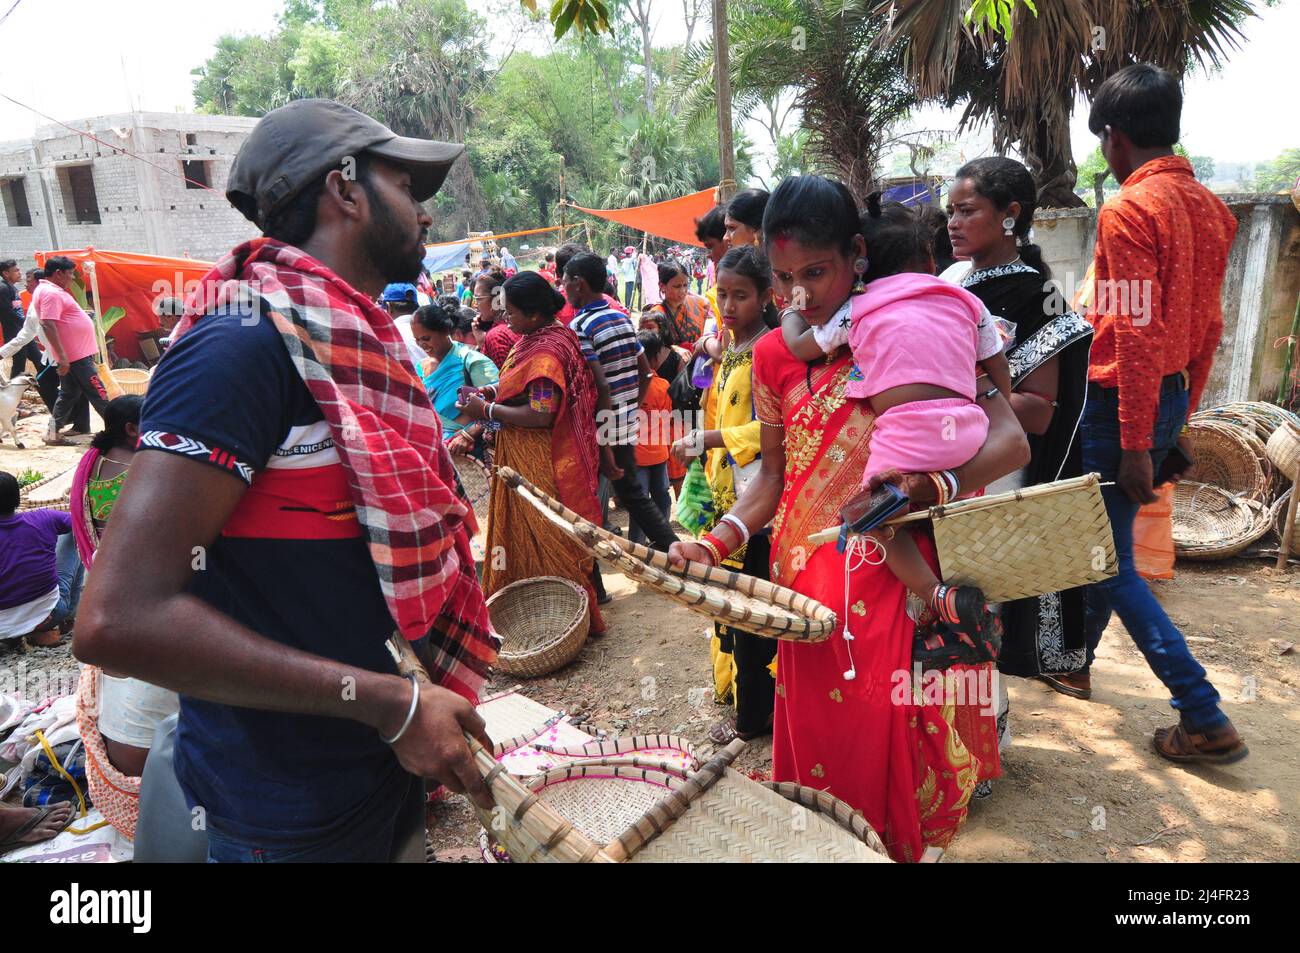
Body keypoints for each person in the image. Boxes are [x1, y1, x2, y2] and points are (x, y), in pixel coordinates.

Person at [74, 99, 496, 863]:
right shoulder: (239, 349)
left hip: (380, 766)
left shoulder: (352, 343)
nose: (425, 213)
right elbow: (118, 618)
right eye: (407, 184)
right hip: (286, 812)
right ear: (346, 191)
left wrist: (400, 716)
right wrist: (392, 706)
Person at [670, 175, 1029, 861]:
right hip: (804, 594)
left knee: (892, 746)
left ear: (857, 253)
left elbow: (1009, 439)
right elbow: (771, 479)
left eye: (816, 272)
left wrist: (936, 485)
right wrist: (715, 544)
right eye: (781, 279)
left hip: (897, 583)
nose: (797, 295)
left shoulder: (911, 326)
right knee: (819, 760)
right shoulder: (775, 353)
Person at [1078, 64, 1246, 765]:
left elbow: (1138, 331)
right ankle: (1068, 659)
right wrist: (1180, 413)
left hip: (1124, 399)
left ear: (1114, 139)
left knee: (1102, 556)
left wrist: (1138, 441)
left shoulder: (1128, 209)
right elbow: (1208, 325)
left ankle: (1203, 712)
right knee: (1100, 542)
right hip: (1167, 390)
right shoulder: (1213, 209)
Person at [781, 191, 1011, 653]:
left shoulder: (859, 305)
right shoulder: (964, 298)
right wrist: (989, 393)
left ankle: (938, 598)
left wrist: (788, 314)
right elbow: (997, 364)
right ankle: (975, 611)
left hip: (907, 433)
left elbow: (802, 346)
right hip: (969, 428)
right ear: (929, 256)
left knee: (871, 518)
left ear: (859, 261)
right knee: (950, 510)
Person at [945, 156, 1095, 796]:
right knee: (940, 605)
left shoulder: (1039, 293)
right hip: (944, 468)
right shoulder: (952, 280)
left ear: (1010, 215)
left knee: (977, 604)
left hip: (995, 473)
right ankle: (944, 739)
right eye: (950, 210)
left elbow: (1036, 411)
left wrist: (967, 395)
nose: (952, 221)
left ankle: (983, 745)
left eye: (967, 210)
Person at [457, 271, 606, 633]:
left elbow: (541, 413)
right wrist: (492, 391)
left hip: (540, 454)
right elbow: (517, 382)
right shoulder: (545, 335)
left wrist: (487, 412)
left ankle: (569, 613)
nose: (505, 318)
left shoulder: (546, 352)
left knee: (547, 529)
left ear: (535, 314)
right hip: (531, 448)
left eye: (510, 312)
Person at [671, 245, 779, 743]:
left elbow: (777, 429)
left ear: (766, 296)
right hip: (723, 493)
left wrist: (710, 439)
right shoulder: (732, 347)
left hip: (759, 501)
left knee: (750, 610)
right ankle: (740, 700)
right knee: (726, 606)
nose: (730, 305)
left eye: (742, 295)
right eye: (723, 294)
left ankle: (754, 717)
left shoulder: (769, 351)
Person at [564, 252, 680, 552]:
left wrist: (604, 440)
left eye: (565, 282)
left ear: (579, 284)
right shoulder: (620, 317)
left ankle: (595, 574)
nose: (563, 288)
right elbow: (645, 372)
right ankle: (672, 547)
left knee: (595, 498)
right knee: (633, 494)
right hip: (626, 424)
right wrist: (632, 407)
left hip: (604, 429)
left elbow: (601, 384)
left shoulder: (580, 325)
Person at [0, 471, 85, 647]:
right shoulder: (42, 518)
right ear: (18, 498)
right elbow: (81, 521)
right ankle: (67, 619)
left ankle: (13, 634)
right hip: (50, 615)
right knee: (75, 533)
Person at [33, 257, 109, 446]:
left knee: (68, 394)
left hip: (73, 354)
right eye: (69, 274)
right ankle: (121, 429)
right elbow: (48, 324)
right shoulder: (51, 292)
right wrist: (63, 357)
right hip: (75, 355)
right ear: (58, 273)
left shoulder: (51, 290)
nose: (71, 278)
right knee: (98, 391)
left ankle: (52, 433)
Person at [411, 301, 499, 441]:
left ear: (445, 331)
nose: (422, 345)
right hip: (432, 444)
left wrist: (468, 435)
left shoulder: (471, 362)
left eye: (426, 338)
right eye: (417, 340)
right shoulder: (420, 368)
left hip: (467, 450)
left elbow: (497, 409)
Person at [630, 330, 673, 547]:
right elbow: (667, 421)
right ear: (656, 358)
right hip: (659, 454)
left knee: (640, 503)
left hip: (635, 457)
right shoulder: (663, 386)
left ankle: (636, 546)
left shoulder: (627, 386)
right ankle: (662, 543)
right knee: (662, 498)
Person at [643, 262, 709, 350]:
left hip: (697, 361)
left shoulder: (696, 303)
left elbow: (706, 304)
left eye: (685, 285)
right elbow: (648, 346)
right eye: (677, 286)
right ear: (662, 286)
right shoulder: (655, 315)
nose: (683, 291)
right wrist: (674, 348)